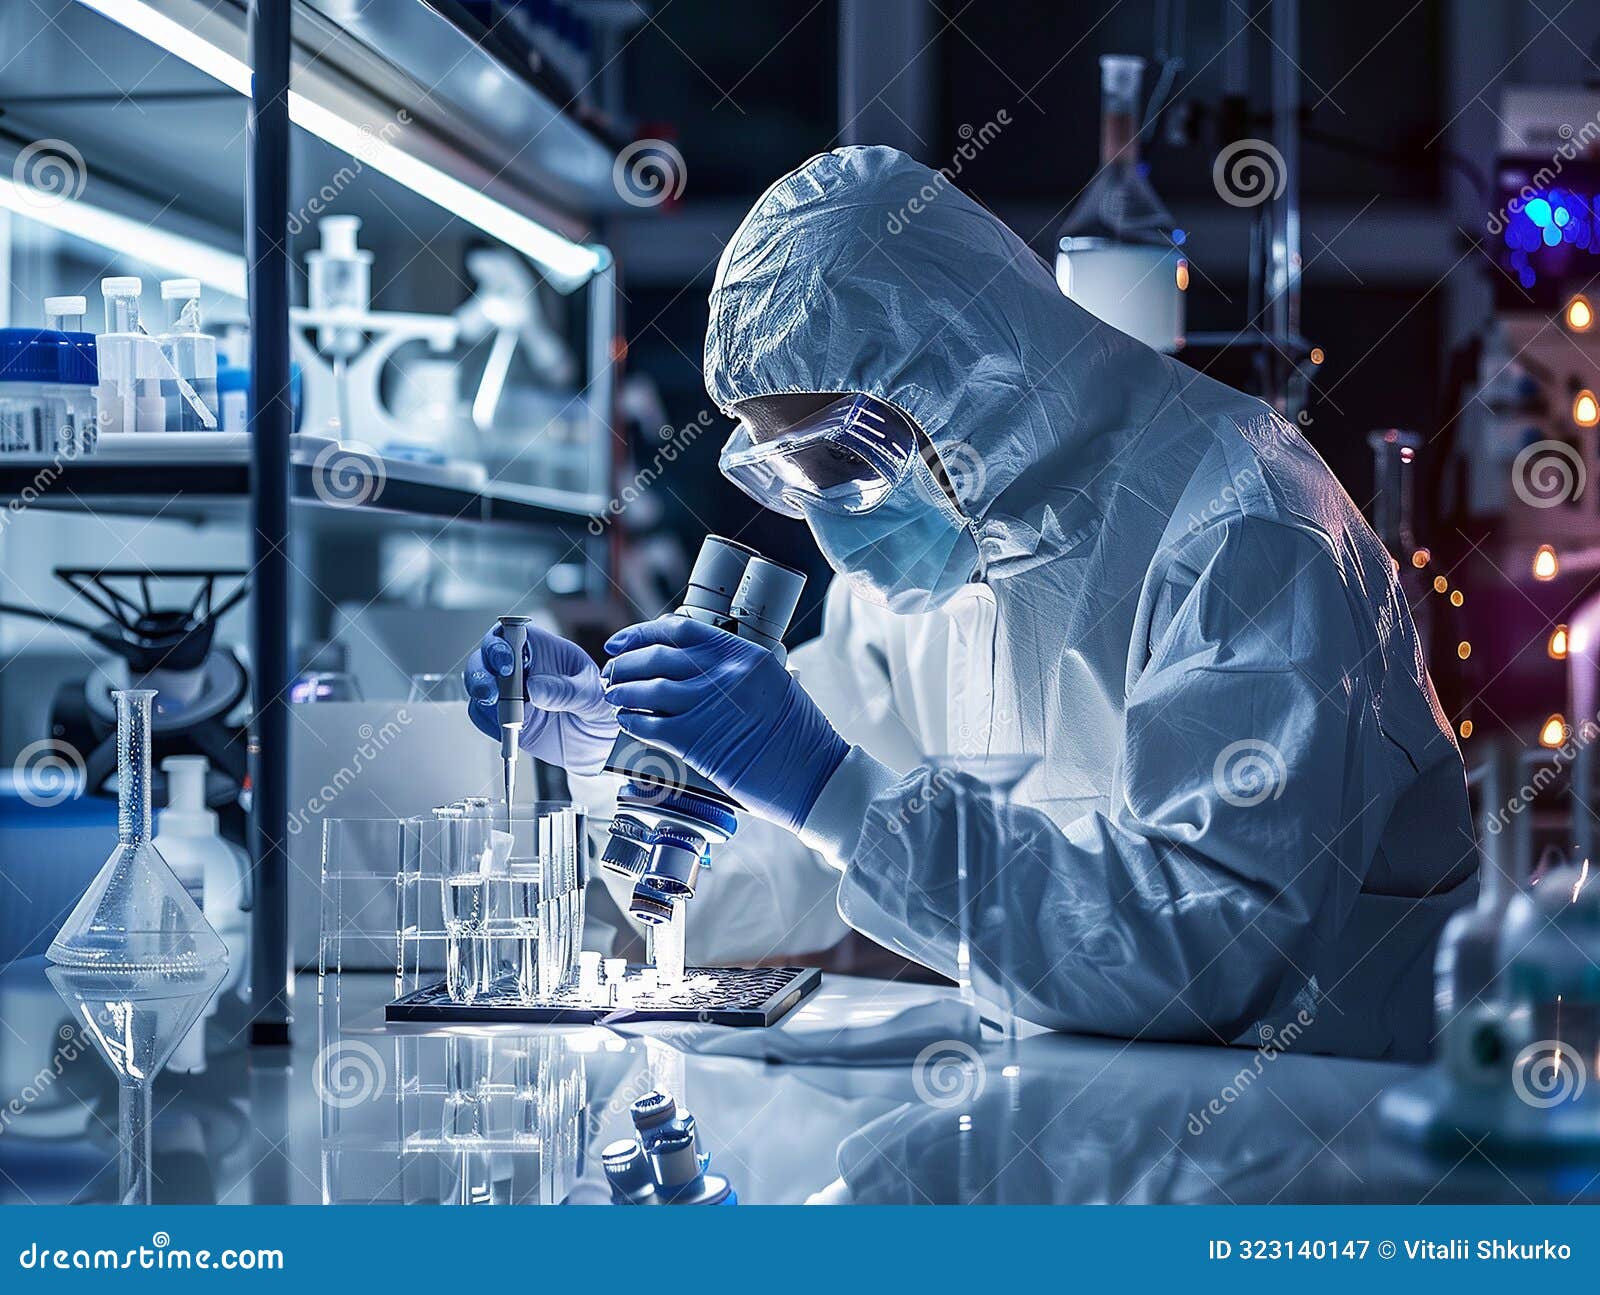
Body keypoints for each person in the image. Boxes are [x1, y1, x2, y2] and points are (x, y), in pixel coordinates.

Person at [466, 146, 1476, 1059]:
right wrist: (626, 751)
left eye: (845, 463)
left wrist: (827, 786)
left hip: (1307, 1132)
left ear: (969, 382)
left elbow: (1209, 958)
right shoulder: (931, 566)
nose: (833, 521)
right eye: (797, 475)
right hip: (1075, 1116)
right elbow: (780, 879)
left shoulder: (1243, 529)